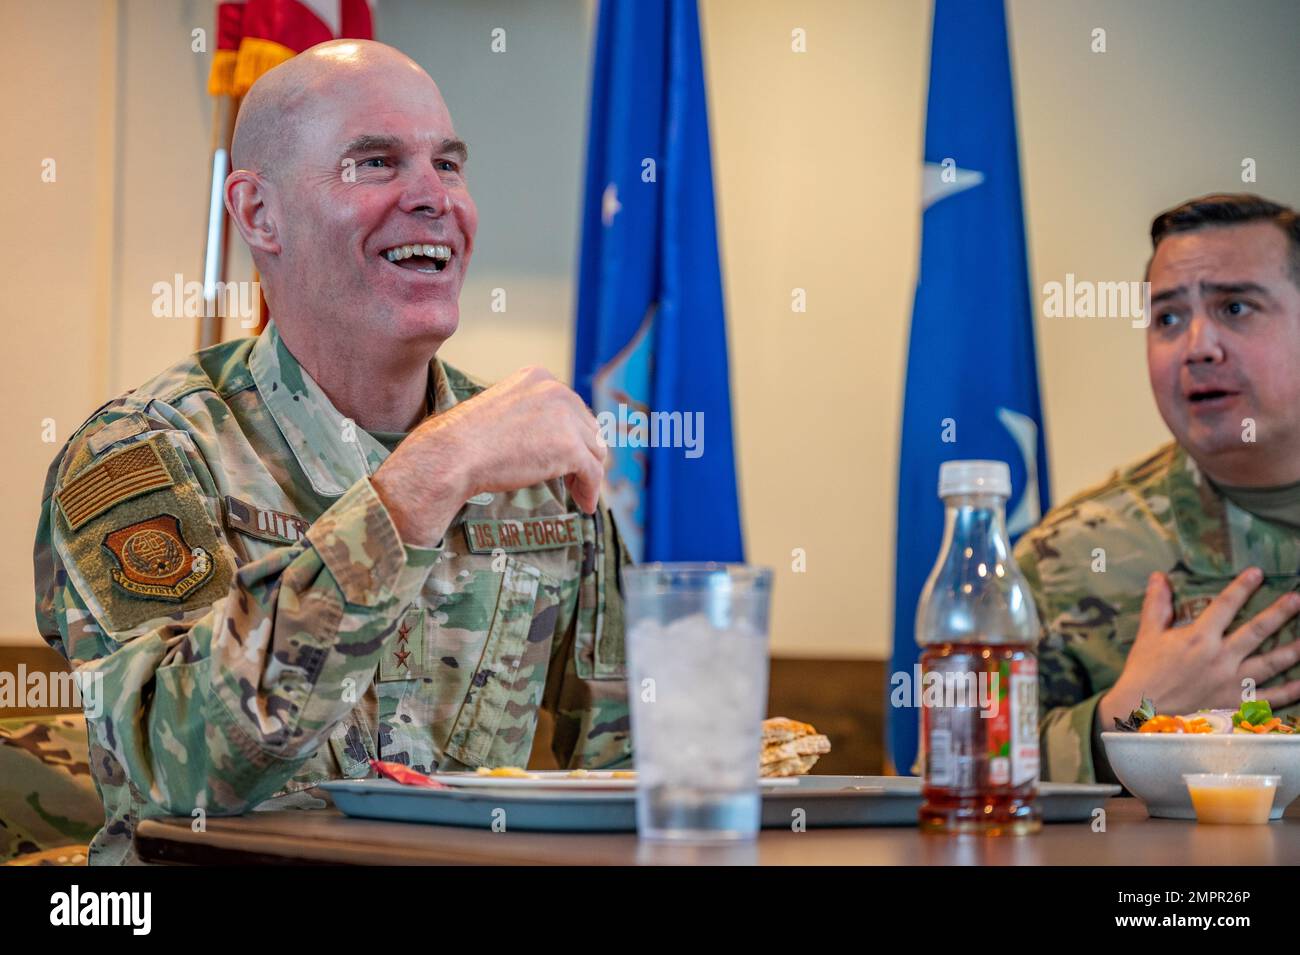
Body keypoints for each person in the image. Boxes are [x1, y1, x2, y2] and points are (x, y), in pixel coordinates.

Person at [33, 39, 631, 865]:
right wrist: (423, 481)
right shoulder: (144, 455)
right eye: (376, 162)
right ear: (258, 214)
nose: (434, 198)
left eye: (449, 165)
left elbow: (637, 768)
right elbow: (178, 771)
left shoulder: (533, 466)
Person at [1015, 194, 1300, 783]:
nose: (1198, 346)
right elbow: (954, 769)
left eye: (1236, 307)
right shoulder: (1067, 557)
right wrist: (1123, 722)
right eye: (1167, 318)